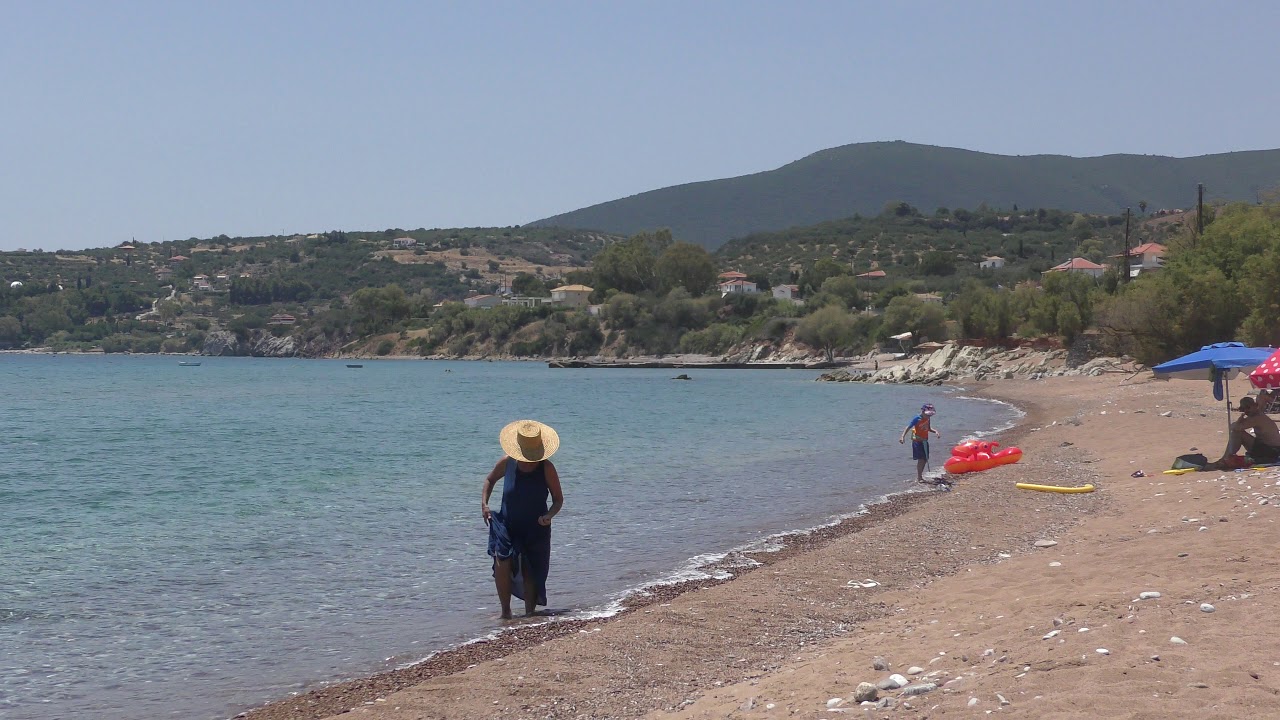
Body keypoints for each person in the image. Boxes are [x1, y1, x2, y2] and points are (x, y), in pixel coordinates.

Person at [481, 420, 564, 619]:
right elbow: (490, 479)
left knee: (531, 570)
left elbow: (558, 499)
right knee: (502, 561)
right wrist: (484, 504)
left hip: (536, 526)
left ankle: (529, 614)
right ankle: (505, 612)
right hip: (507, 524)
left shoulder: (546, 468)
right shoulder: (507, 462)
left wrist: (549, 515)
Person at [1208, 396, 1280, 469]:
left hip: (1271, 451)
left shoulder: (1257, 418)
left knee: (1238, 433)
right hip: (1269, 449)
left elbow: (1235, 427)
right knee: (1238, 432)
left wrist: (1239, 420)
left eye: (1248, 407)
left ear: (1255, 406)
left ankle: (1225, 459)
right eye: (1242, 409)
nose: (1246, 410)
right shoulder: (1258, 416)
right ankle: (1226, 458)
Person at [900, 403, 947, 486]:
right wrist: (902, 436)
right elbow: (908, 427)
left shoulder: (928, 419)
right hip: (917, 441)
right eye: (928, 415)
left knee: (925, 459)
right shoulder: (917, 418)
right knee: (921, 459)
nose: (929, 416)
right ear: (922, 411)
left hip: (925, 441)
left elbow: (928, 428)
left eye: (930, 415)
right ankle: (919, 477)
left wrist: (935, 431)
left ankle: (920, 476)